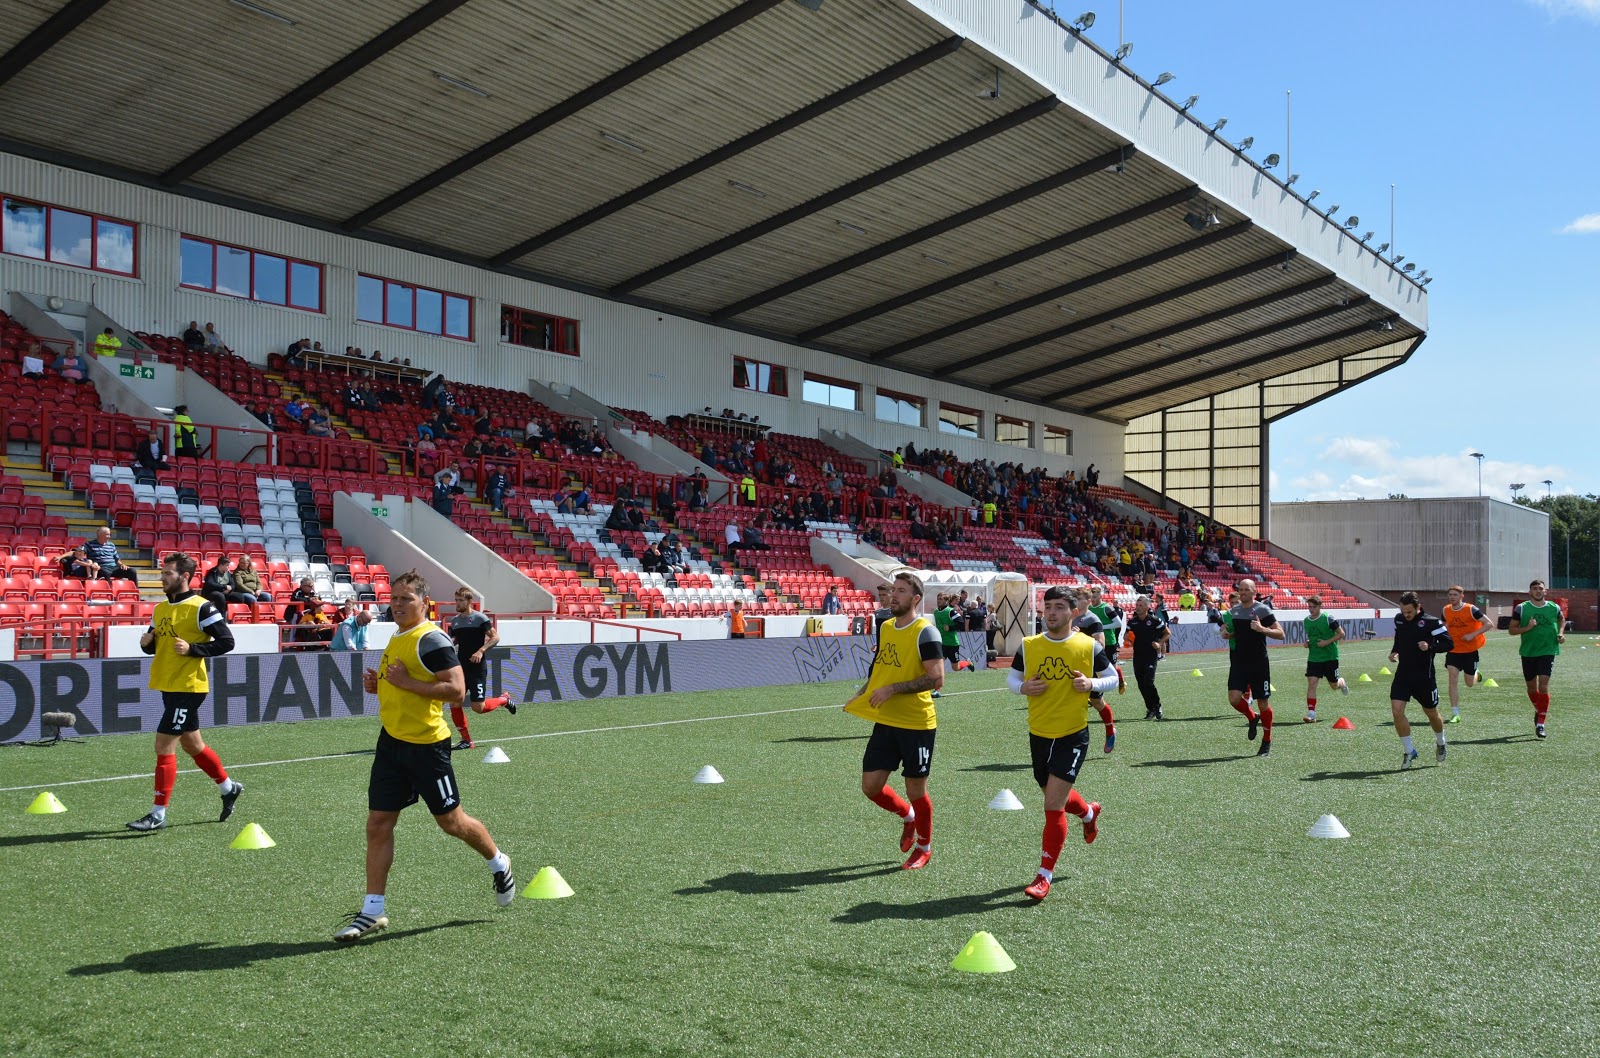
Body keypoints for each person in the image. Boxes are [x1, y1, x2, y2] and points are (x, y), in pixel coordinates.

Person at [335, 571, 516, 942]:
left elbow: (456, 689)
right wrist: (380, 684)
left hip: (427, 748)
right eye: (394, 598)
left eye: (407, 599)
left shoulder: (431, 638)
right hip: (391, 744)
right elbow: (403, 683)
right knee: (378, 824)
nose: (398, 604)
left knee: (452, 823)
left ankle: (499, 862)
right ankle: (373, 911)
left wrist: (404, 684)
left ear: (425, 604)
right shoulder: (398, 635)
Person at [1010, 585, 1118, 900]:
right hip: (1039, 732)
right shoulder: (1029, 645)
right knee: (1052, 792)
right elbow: (1012, 679)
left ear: (1072, 612)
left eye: (1059, 607)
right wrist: (1022, 688)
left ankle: (1044, 876)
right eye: (1048, 607)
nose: (1052, 613)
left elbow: (1113, 677)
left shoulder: (1088, 646)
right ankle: (1088, 813)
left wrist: (1091, 683)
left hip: (1073, 733)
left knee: (1052, 804)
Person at [126, 552, 243, 831]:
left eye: (168, 574)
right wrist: (146, 644)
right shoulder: (160, 609)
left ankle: (158, 814)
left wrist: (194, 650)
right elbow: (157, 643)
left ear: (185, 576)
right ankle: (229, 787)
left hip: (188, 687)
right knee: (193, 745)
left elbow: (227, 642)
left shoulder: (202, 607)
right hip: (168, 684)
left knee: (163, 745)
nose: (162, 578)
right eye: (162, 573)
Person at [843, 572, 944, 871]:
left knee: (916, 790)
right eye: (893, 590)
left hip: (917, 724)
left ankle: (924, 847)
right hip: (886, 722)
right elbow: (879, 667)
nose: (894, 595)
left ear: (915, 599)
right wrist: (861, 694)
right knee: (871, 787)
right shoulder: (886, 626)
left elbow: (936, 679)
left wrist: (892, 690)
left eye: (901, 591)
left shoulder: (926, 632)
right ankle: (908, 817)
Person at [1387, 591, 1454, 768]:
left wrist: (1430, 646)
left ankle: (1441, 742)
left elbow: (1449, 643)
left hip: (1424, 677)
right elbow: (1399, 637)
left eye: (1409, 612)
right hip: (1403, 675)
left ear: (1418, 607)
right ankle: (1409, 751)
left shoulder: (1432, 622)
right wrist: (1395, 651)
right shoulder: (1399, 619)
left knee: (1431, 713)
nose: (1406, 615)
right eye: (1403, 611)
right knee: (1396, 711)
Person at [1218, 579, 1283, 756]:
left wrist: (1263, 629)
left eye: (1247, 589)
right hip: (1239, 661)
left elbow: (1280, 634)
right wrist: (1228, 634)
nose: (1243, 592)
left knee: (1263, 703)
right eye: (1241, 589)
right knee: (1233, 698)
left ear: (1254, 592)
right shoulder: (1234, 611)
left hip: (1259, 663)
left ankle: (1266, 741)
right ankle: (1252, 717)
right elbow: (1237, 633)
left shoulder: (1263, 610)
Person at [445, 587, 513, 749]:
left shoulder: (480, 618)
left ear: (469, 602)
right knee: (454, 702)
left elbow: (495, 637)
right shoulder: (455, 621)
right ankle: (467, 741)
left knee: (478, 708)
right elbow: (455, 640)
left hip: (476, 668)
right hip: (460, 668)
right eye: (456, 600)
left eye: (461, 600)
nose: (457, 603)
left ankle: (503, 700)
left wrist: (481, 651)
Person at [1507, 578, 1564, 740]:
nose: (1538, 591)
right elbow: (1512, 630)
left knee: (1543, 686)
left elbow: (1561, 619)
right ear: (1530, 592)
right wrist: (1528, 627)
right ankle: (1539, 709)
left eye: (1540, 588)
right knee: (1532, 689)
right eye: (1535, 589)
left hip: (1548, 651)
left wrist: (1561, 633)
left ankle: (1540, 724)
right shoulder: (1522, 608)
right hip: (1528, 652)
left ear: (1545, 591)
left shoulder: (1554, 607)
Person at [1068, 590, 1118, 753]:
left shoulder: (1092, 619)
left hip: (1088, 670)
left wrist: (1079, 636)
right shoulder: (1069, 616)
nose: (1075, 600)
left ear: (1088, 601)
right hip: (1070, 667)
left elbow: (1100, 644)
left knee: (1097, 703)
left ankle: (1110, 730)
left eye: (1079, 598)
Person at [1440, 585, 1493, 724]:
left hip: (1470, 651)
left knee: (1469, 684)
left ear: (1462, 596)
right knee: (1452, 679)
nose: (1452, 597)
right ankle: (1455, 713)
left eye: (1455, 595)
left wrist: (1472, 634)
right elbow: (1445, 625)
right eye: (1450, 594)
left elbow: (1489, 624)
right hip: (1453, 651)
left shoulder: (1471, 609)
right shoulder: (1446, 610)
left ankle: (1476, 673)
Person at [1301, 594, 1351, 723]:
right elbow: (1312, 637)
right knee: (1311, 684)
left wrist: (1326, 642)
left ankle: (1342, 682)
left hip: (1330, 657)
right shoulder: (1306, 620)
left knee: (1334, 685)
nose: (1311, 609)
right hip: (1314, 658)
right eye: (1309, 607)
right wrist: (1307, 643)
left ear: (1319, 606)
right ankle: (1311, 713)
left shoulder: (1328, 618)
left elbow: (1341, 633)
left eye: (1313, 607)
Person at [1124, 595, 1170, 720]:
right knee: (1141, 684)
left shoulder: (1154, 620)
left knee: (1148, 682)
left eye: (1140, 605)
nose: (1137, 607)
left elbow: (1168, 633)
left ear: (1147, 607)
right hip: (1138, 655)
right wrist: (1127, 638)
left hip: (1150, 655)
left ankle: (1157, 705)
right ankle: (1150, 709)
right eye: (1137, 605)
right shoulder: (1132, 621)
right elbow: (1126, 635)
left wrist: (1159, 643)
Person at [1087, 585, 1127, 695]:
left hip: (1109, 642)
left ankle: (1121, 679)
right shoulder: (1089, 609)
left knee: (1112, 667)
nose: (1093, 599)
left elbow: (1118, 623)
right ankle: (1095, 694)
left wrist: (1101, 627)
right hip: (1096, 643)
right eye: (1091, 597)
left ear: (1100, 596)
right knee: (1095, 667)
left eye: (1095, 597)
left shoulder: (1106, 608)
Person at [230, 553, 271, 622]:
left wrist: (259, 590)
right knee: (252, 599)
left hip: (255, 591)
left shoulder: (254, 572)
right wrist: (251, 591)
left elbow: (259, 583)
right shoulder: (237, 572)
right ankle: (254, 618)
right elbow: (239, 584)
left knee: (267, 596)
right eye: (241, 563)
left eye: (244, 563)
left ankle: (264, 616)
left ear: (248, 563)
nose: (242, 564)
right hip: (243, 592)